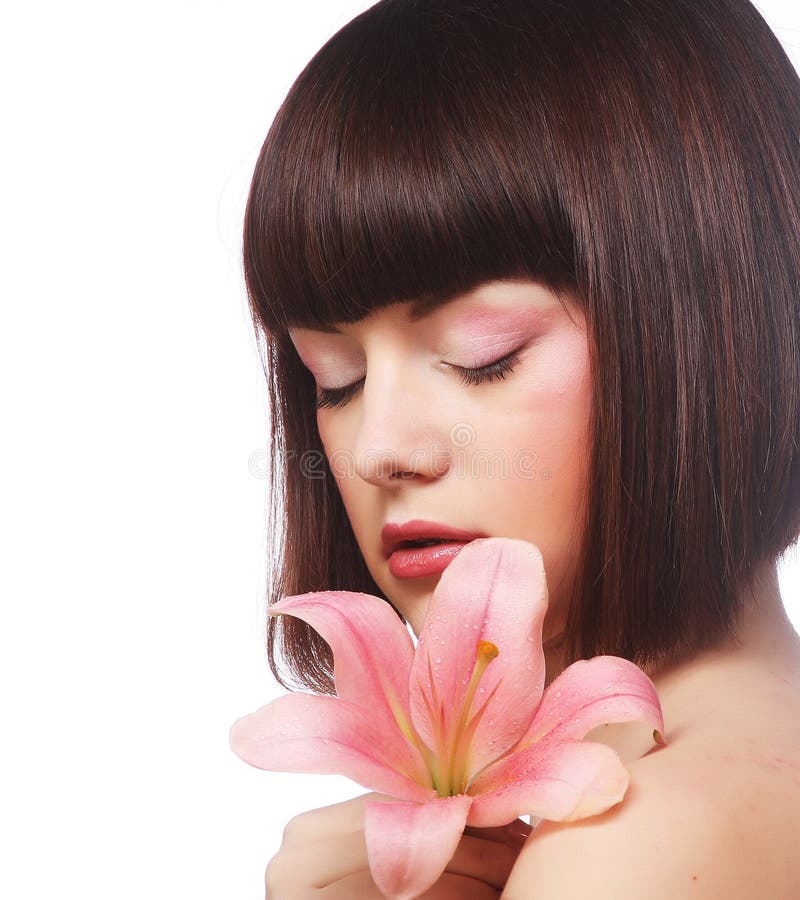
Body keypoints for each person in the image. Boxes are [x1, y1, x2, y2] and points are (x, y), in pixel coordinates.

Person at [242, 0, 800, 896]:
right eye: (334, 378)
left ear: (708, 331)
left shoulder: (627, 853)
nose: (379, 449)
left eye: (483, 356)